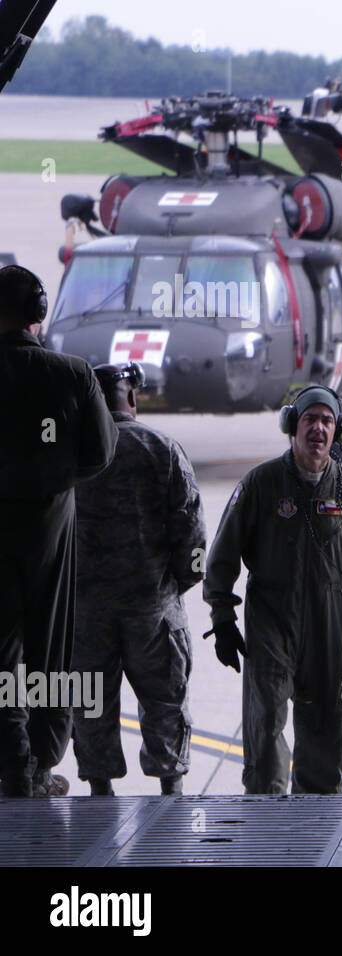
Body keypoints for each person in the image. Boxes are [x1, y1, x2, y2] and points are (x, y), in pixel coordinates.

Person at [203, 385, 342, 794]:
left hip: (328, 622)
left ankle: (321, 831)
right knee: (266, 724)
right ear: (292, 426)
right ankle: (266, 827)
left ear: (338, 430)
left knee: (328, 726)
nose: (319, 429)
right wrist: (222, 618)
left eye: (327, 421)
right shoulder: (260, 484)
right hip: (271, 619)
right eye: (310, 419)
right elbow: (222, 554)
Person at [0, 264, 117, 797]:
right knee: (52, 647)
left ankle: (11, 763)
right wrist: (52, 480)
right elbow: (101, 451)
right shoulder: (73, 374)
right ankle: (41, 763)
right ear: (38, 315)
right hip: (51, 527)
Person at [72, 362, 206, 796]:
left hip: (86, 610)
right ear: (131, 398)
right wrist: (172, 589)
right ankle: (170, 786)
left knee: (91, 702)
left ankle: (99, 789)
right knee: (165, 700)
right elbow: (193, 535)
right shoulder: (162, 448)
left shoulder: (71, 455)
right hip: (152, 607)